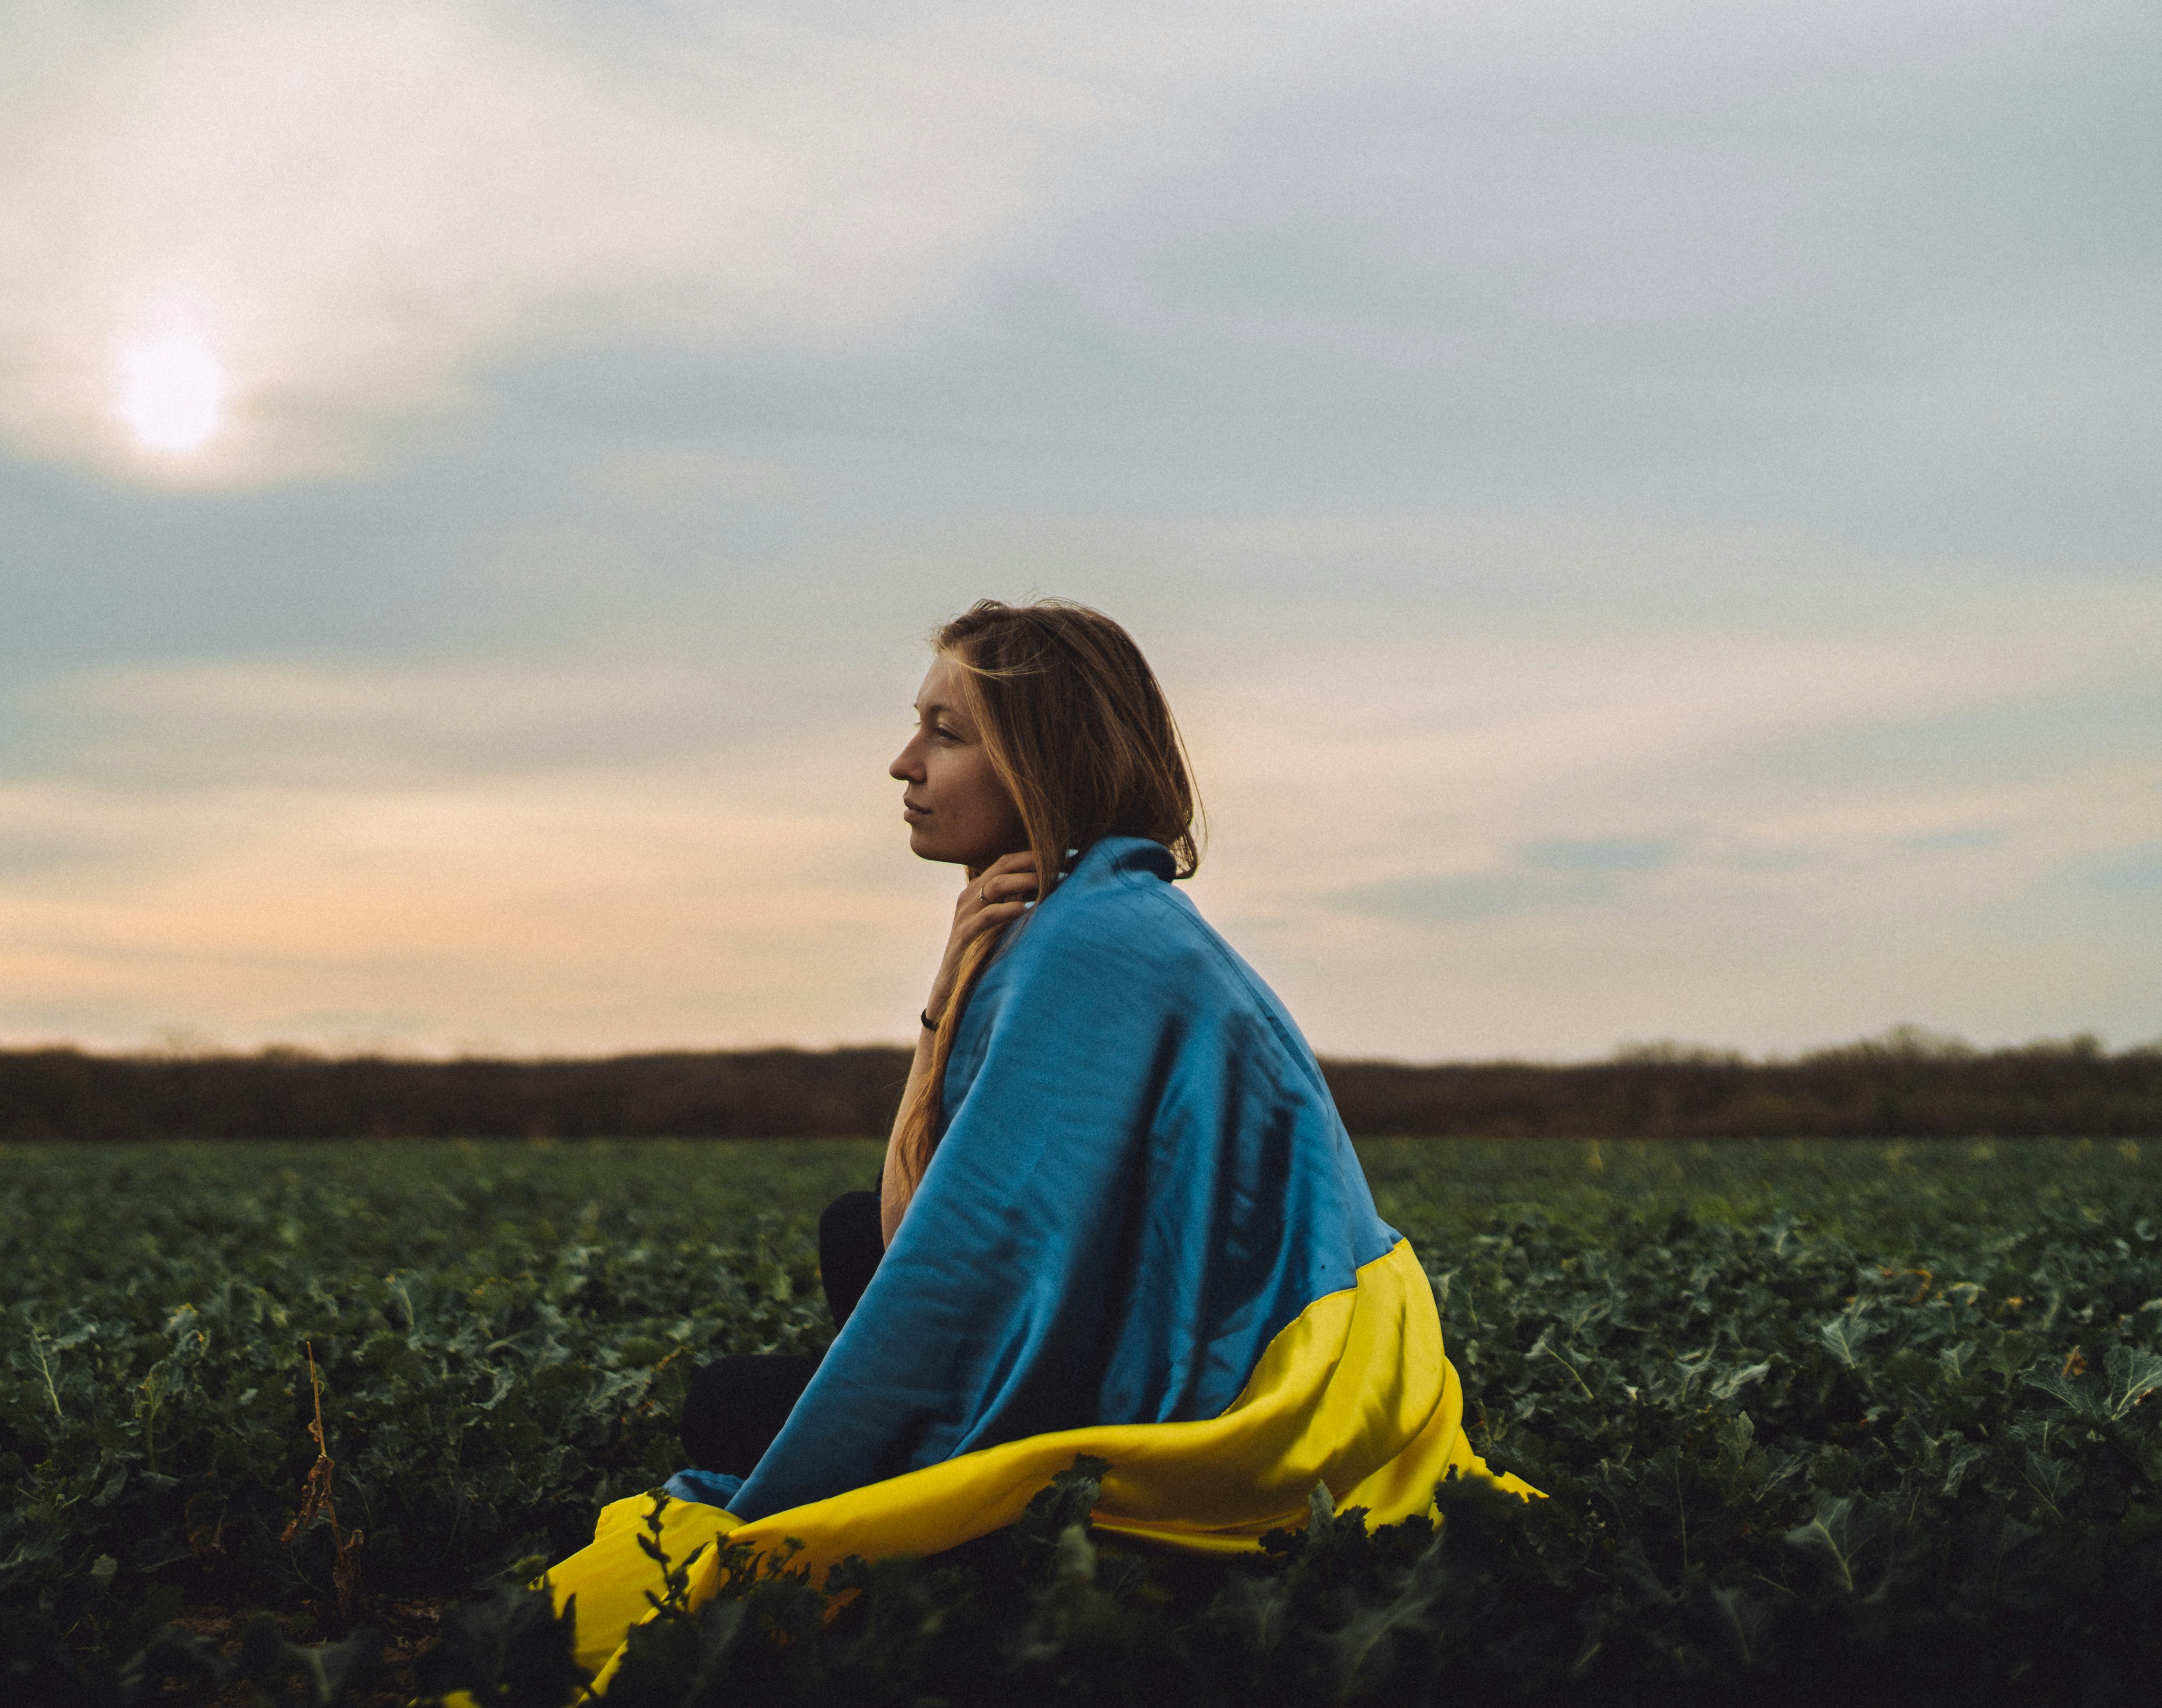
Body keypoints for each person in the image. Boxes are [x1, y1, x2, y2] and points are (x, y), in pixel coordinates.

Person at [545, 598, 1533, 1684]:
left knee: (727, 1405)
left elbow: (943, 1245)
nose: (902, 763)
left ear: (1041, 762)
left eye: (946, 733)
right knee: (838, 1245)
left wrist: (949, 1001)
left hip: (1259, 1392)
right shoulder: (1089, 909)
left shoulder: (1084, 945)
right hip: (1284, 1330)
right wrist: (944, 1000)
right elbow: (928, 1232)